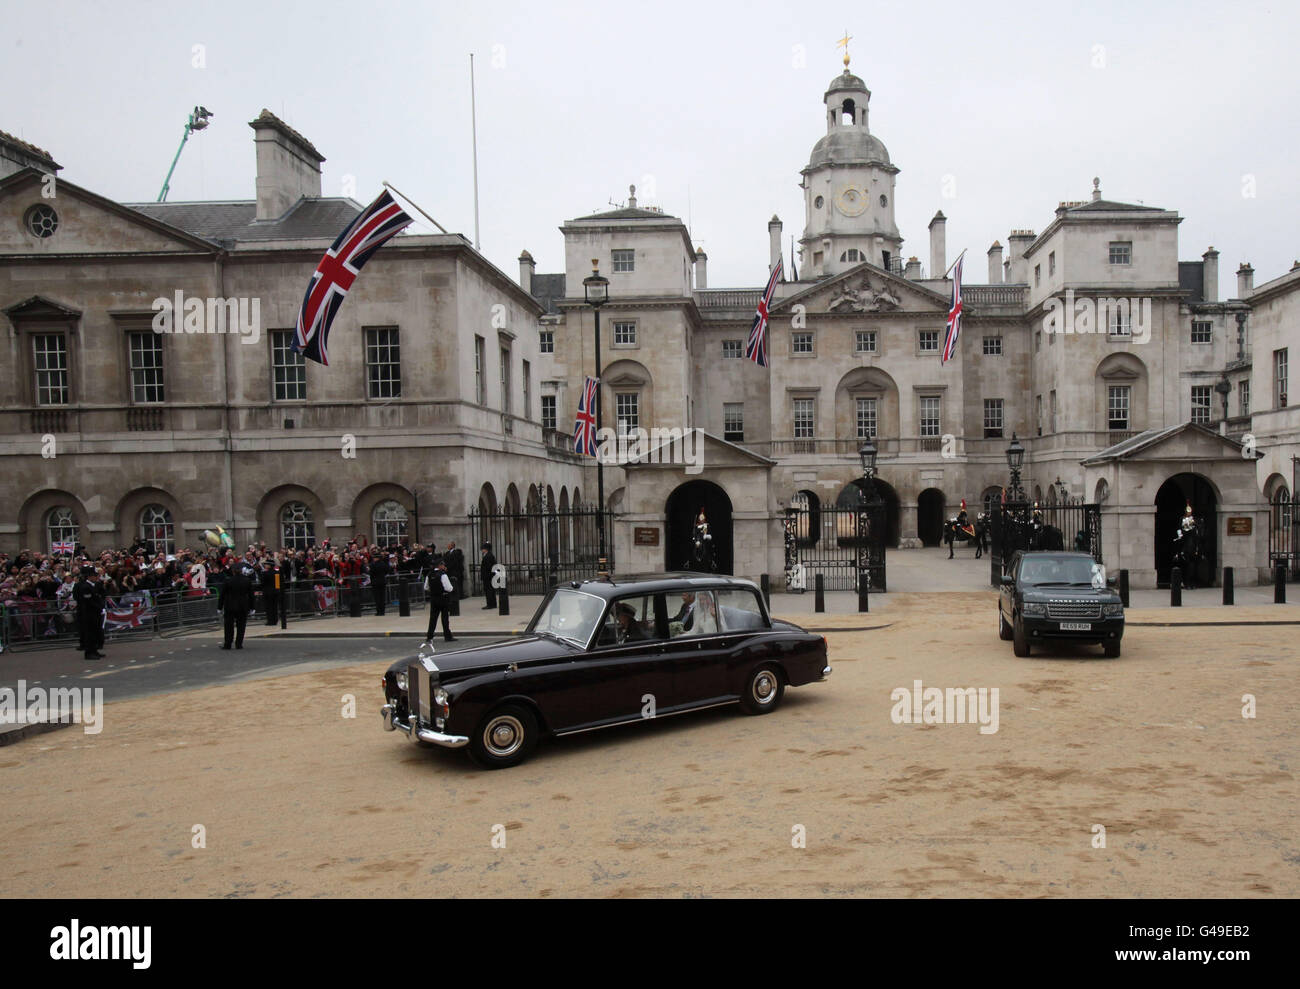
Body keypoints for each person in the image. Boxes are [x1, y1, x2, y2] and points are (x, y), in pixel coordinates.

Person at [218, 561, 254, 650]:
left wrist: (219, 606)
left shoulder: (228, 580)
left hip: (230, 605)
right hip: (242, 605)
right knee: (241, 626)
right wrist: (252, 607)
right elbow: (251, 595)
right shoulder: (247, 580)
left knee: (229, 626)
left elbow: (222, 594)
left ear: (233, 571)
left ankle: (228, 643)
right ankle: (239, 643)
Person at [73, 565, 106, 661]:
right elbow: (89, 601)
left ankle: (94, 650)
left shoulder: (93, 586)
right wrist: (99, 606)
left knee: (95, 632)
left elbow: (100, 596)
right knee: (90, 634)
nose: (96, 577)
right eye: (95, 576)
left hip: (95, 613)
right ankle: (89, 652)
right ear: (89, 576)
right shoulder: (85, 587)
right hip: (89, 614)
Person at [424, 558, 456, 643]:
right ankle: (447, 636)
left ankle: (429, 636)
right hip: (443, 598)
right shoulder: (443, 575)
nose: (444, 566)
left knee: (433, 618)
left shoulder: (429, 574)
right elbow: (449, 588)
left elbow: (426, 587)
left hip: (434, 598)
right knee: (445, 618)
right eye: (443, 565)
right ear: (440, 565)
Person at [369, 551, 391, 617]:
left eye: (374, 558)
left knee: (377, 598)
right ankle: (382, 611)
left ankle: (379, 611)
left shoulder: (373, 565)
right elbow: (387, 571)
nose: (373, 559)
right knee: (382, 597)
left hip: (375, 582)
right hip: (382, 581)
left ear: (377, 558)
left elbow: (371, 573)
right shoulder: (383, 564)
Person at [480, 541, 498, 610]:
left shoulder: (488, 556)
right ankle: (493, 604)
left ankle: (490, 604)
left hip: (488, 576)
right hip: (490, 576)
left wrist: (487, 575)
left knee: (489, 590)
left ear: (486, 549)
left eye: (483, 548)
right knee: (491, 590)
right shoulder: (489, 555)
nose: (482, 550)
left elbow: (489, 567)